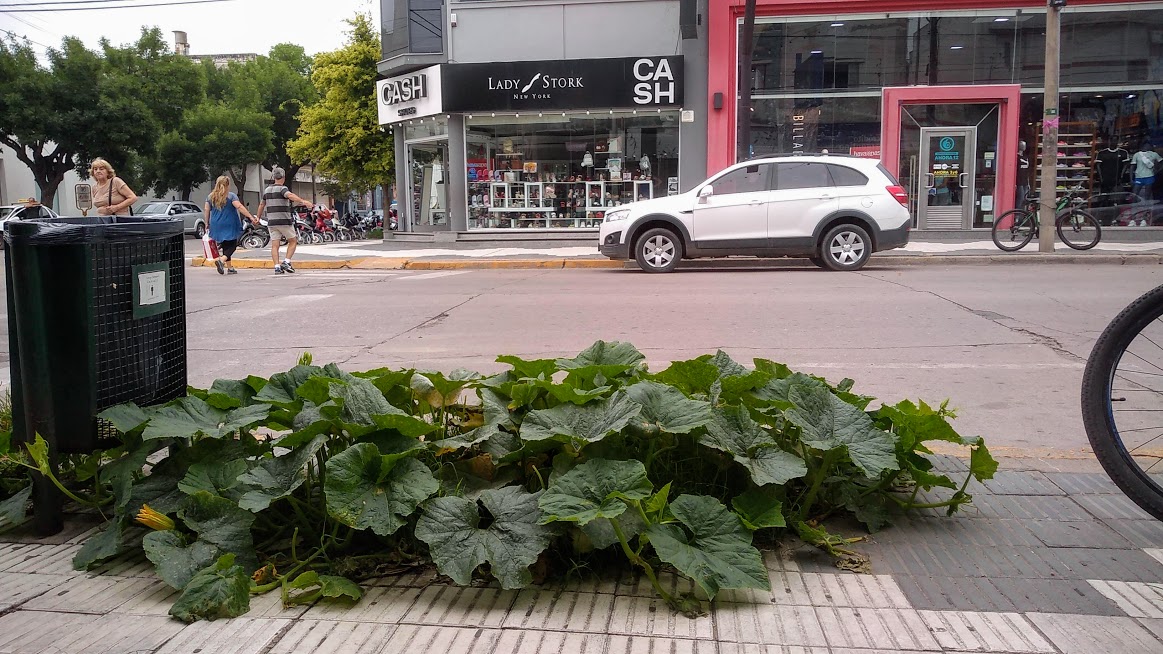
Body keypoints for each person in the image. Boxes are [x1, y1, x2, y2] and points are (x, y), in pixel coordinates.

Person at [255, 167, 315, 274]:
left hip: (272, 222)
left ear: (274, 177)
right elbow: (290, 195)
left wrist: (258, 217)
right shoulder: (283, 189)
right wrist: (303, 201)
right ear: (283, 177)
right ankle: (287, 261)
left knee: (275, 245)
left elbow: (261, 205)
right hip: (284, 221)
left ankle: (277, 267)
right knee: (293, 241)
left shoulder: (267, 190)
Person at [204, 176, 258, 275]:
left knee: (225, 245)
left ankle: (230, 268)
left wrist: (206, 223)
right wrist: (250, 216)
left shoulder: (210, 197)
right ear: (228, 185)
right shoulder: (231, 196)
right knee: (233, 245)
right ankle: (221, 260)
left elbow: (207, 210)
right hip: (229, 223)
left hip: (216, 223)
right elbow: (239, 207)